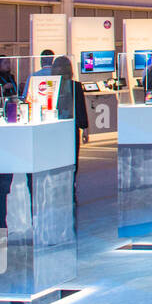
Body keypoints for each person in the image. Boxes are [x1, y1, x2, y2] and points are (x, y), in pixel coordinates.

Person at [51, 55, 89, 201]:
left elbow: (80, 107)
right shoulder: (51, 85)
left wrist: (84, 127)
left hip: (70, 127)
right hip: (57, 127)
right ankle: (62, 187)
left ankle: (69, 187)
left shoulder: (74, 86)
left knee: (72, 159)